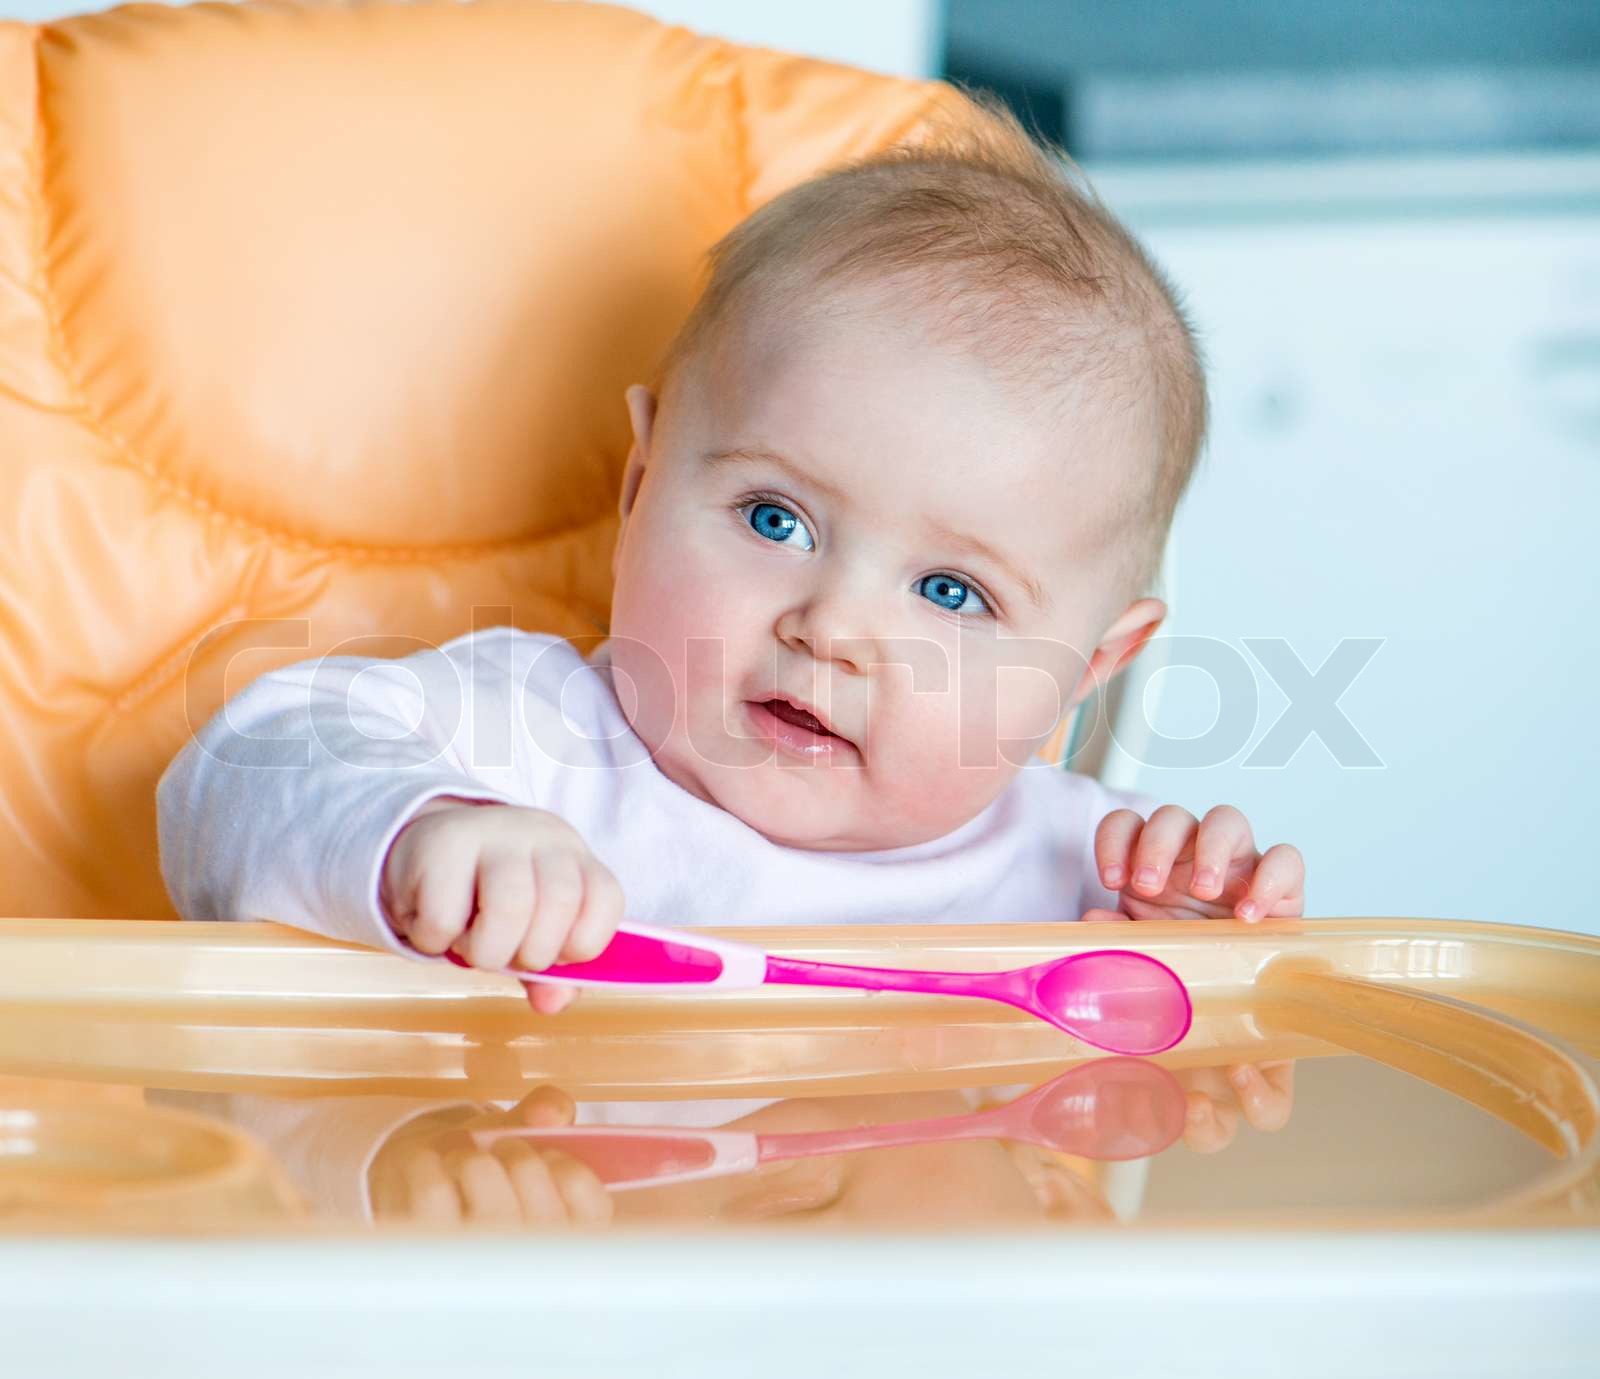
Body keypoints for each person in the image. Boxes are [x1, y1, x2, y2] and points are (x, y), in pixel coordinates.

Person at [156, 90, 1306, 1017]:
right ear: (640, 483)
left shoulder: (1078, 876)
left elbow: (1141, 1141)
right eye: (775, 519)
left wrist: (1198, 965)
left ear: (1089, 666)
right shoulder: (526, 741)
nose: (831, 626)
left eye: (952, 591)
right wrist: (421, 829)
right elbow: (245, 764)